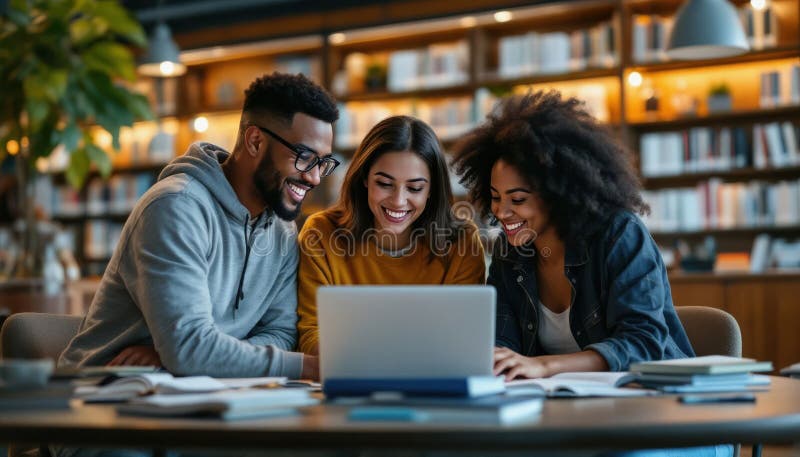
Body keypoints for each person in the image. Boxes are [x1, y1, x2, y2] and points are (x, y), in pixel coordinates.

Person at [453, 91, 732, 457]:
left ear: (559, 192)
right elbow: (504, 347)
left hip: (669, 419)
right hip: (575, 424)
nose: (502, 212)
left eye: (517, 199)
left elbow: (643, 343)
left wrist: (543, 366)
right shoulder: (511, 251)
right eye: (494, 196)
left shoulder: (618, 234)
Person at [58, 72, 339, 381]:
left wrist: (189, 356)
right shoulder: (175, 207)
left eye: (323, 163)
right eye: (304, 157)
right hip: (100, 395)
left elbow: (280, 334)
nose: (314, 177)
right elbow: (189, 349)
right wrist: (309, 366)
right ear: (255, 141)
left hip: (194, 390)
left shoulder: (282, 232)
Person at [296, 115, 486, 357]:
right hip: (353, 378)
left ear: (432, 190)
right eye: (384, 184)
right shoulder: (321, 233)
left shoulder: (462, 242)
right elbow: (311, 335)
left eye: (415, 188)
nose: (398, 201)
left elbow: (464, 338)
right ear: (364, 178)